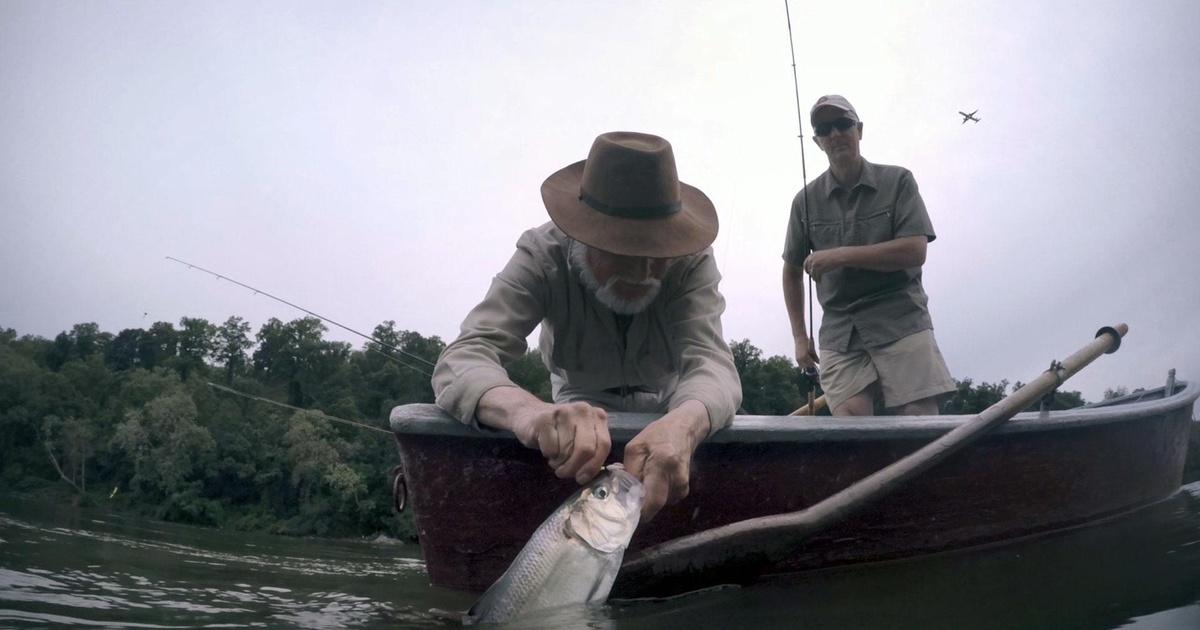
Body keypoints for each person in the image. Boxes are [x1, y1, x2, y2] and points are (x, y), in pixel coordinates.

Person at [433, 131, 741, 520]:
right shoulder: (541, 256)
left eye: (658, 252)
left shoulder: (692, 260)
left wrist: (684, 425)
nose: (644, 273)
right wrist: (528, 413)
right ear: (581, 235)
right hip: (576, 403)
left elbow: (712, 364)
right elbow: (464, 356)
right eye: (624, 251)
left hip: (672, 403)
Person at [782, 95, 954, 417]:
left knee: (918, 416)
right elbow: (791, 271)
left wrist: (840, 256)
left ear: (859, 130)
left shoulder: (898, 181)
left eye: (843, 124)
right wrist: (800, 337)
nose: (835, 134)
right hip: (840, 330)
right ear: (817, 142)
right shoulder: (803, 202)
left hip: (901, 318)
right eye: (824, 129)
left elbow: (915, 250)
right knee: (851, 421)